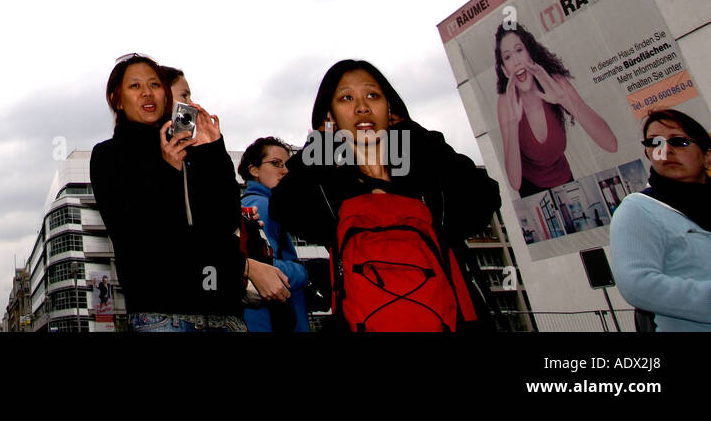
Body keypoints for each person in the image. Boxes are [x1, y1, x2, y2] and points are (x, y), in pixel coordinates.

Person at [272, 59, 500, 331]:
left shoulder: (426, 173)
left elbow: (484, 197)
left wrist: (411, 132)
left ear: (390, 108)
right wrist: (322, 142)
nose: (362, 107)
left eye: (373, 96)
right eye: (346, 98)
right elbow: (285, 206)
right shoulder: (330, 188)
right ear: (330, 116)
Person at [89, 54, 286, 332]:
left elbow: (224, 221)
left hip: (226, 316)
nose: (147, 92)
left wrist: (213, 150)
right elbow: (140, 236)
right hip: (163, 316)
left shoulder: (189, 148)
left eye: (155, 84)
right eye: (135, 86)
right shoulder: (109, 156)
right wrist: (168, 171)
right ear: (117, 100)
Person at [610, 108, 711, 331]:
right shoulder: (638, 208)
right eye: (655, 143)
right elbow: (637, 285)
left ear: (707, 156)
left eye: (679, 142)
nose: (665, 150)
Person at [495, 24, 617, 197]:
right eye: (507, 57)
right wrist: (513, 123)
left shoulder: (555, 82)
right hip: (532, 194)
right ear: (504, 70)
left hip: (566, 183)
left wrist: (563, 100)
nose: (516, 61)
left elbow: (611, 144)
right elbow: (514, 182)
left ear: (530, 53)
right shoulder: (505, 102)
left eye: (519, 50)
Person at [239, 137, 310, 332]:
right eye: (276, 164)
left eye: (287, 165)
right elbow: (263, 266)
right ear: (254, 170)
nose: (285, 171)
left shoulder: (255, 204)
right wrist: (303, 272)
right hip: (270, 321)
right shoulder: (264, 205)